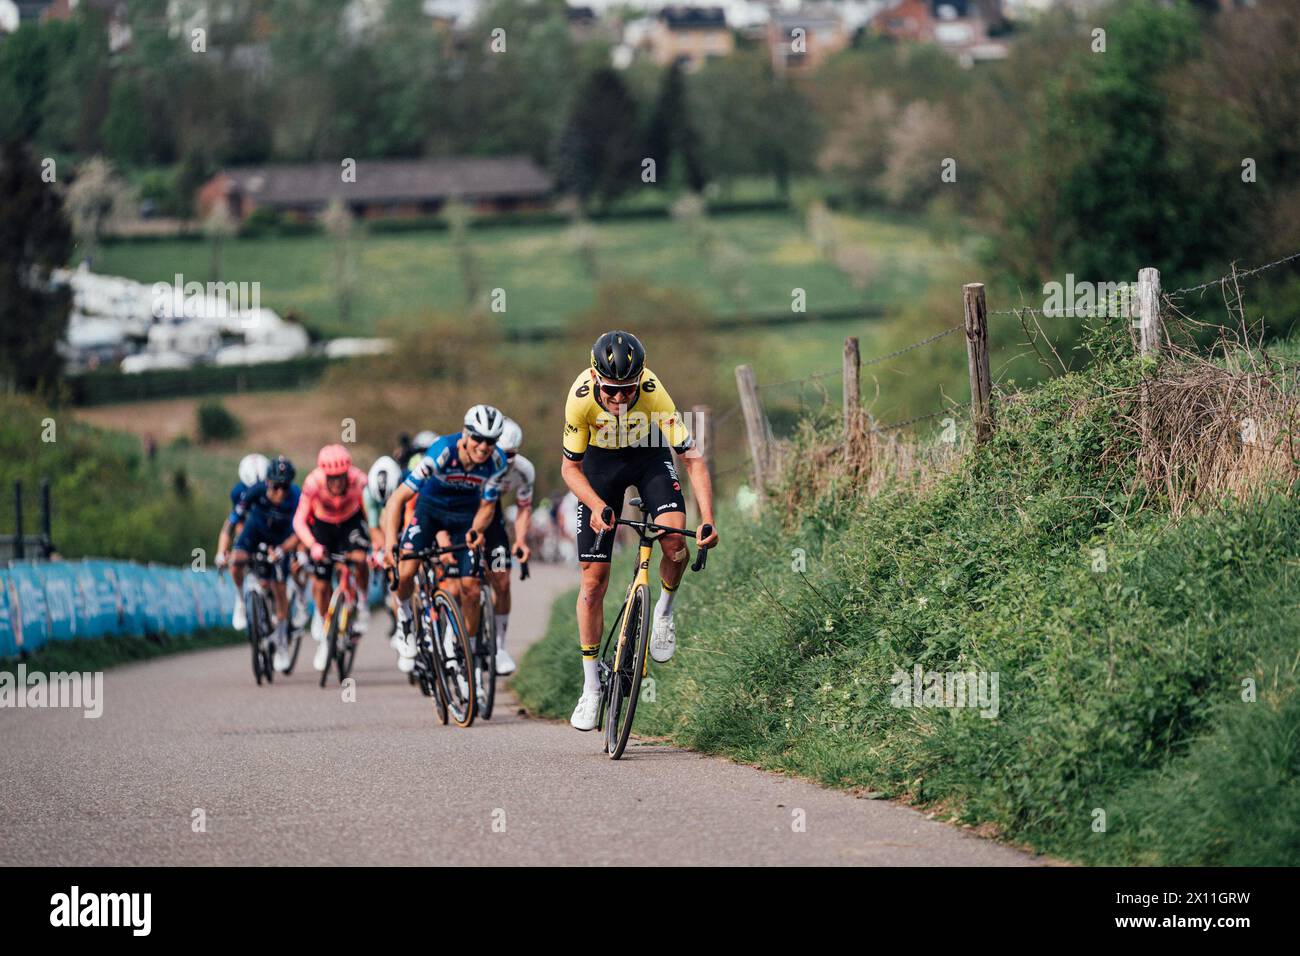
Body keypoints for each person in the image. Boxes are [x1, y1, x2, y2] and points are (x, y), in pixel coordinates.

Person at [560, 330, 718, 731]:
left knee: (674, 541)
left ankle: (663, 610)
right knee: (593, 583)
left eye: (627, 391)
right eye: (611, 391)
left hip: (647, 456)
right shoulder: (579, 400)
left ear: (640, 380)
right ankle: (592, 687)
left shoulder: (653, 394)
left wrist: (708, 519)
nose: (618, 400)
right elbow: (570, 469)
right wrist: (596, 506)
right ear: (596, 380)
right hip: (599, 466)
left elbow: (694, 461)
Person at [381, 406, 507, 674]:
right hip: (430, 513)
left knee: (472, 589)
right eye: (478, 438)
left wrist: (476, 530)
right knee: (406, 571)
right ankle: (405, 622)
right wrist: (390, 543)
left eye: (491, 441)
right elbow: (398, 499)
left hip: (465, 517)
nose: (484, 447)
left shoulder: (497, 462)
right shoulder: (441, 452)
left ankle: (468, 655)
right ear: (465, 434)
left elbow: (488, 506)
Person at [217, 456, 301, 671]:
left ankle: (282, 641)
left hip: (282, 539)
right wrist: (221, 551)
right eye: (276, 486)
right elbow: (231, 524)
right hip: (254, 534)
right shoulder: (254, 492)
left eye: (285, 486)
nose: (280, 492)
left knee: (280, 588)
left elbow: (300, 532)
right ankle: (241, 601)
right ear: (267, 482)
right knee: (236, 562)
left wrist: (283, 550)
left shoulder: (296, 497)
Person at [293, 444, 372, 671]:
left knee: (359, 558)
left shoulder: (359, 481)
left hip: (350, 523)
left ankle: (363, 602)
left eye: (341, 477)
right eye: (332, 478)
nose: (337, 483)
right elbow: (299, 521)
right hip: (323, 526)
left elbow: (370, 513)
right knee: (320, 583)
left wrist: (373, 543)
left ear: (348, 473)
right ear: (324, 475)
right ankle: (325, 627)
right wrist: (313, 545)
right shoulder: (313, 483)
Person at [482, 417, 534, 676]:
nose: (507, 460)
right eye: (501, 454)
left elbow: (524, 509)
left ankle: (500, 647)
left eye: (511, 454)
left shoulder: (524, 470)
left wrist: (521, 541)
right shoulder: (478, 462)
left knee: (502, 581)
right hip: (464, 513)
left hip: (493, 517)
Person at [364, 455, 411, 672]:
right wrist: (384, 550)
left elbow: (415, 517)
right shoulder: (369, 494)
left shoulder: (408, 480)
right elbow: (374, 527)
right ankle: (404, 623)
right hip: (387, 525)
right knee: (394, 571)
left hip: (410, 517)